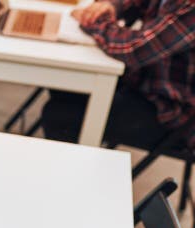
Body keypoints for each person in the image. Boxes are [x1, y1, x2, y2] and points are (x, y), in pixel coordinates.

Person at [41, 0, 194, 149]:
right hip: (142, 82)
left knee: (60, 116)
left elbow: (133, 50)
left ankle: (77, 170)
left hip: (172, 113)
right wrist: (109, 6)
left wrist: (94, 23)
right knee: (68, 82)